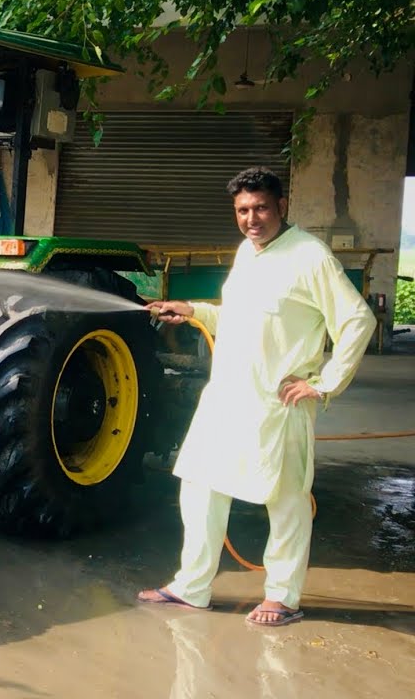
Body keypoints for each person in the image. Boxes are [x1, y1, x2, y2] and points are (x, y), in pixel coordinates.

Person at [137, 167, 377, 626]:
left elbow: (357, 320)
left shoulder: (310, 256)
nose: (252, 218)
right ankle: (193, 587)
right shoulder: (248, 252)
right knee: (200, 487)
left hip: (278, 402)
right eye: (243, 211)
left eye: (261, 207)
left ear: (282, 206)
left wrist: (323, 383)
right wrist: (193, 310)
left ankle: (283, 596)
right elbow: (242, 317)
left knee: (284, 498)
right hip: (227, 396)